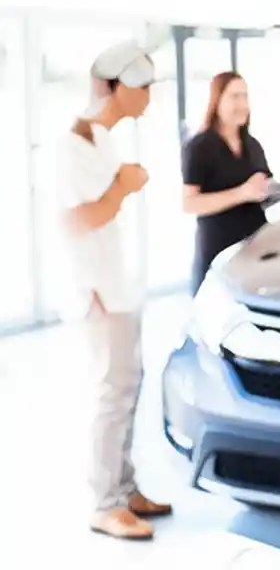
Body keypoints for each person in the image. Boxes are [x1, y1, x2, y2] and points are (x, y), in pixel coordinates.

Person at [56, 41, 173, 540]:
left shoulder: (102, 139)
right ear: (113, 87)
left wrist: (123, 183)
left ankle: (125, 489)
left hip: (119, 285)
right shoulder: (72, 144)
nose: (148, 96)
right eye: (141, 87)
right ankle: (105, 503)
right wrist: (123, 186)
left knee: (129, 387)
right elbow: (79, 219)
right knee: (113, 393)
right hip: (99, 291)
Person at [181, 71, 273, 295]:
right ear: (217, 101)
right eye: (234, 97)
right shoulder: (199, 147)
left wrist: (270, 190)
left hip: (253, 253)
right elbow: (189, 203)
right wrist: (242, 193)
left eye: (245, 96)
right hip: (218, 253)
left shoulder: (253, 145)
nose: (242, 104)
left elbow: (263, 187)